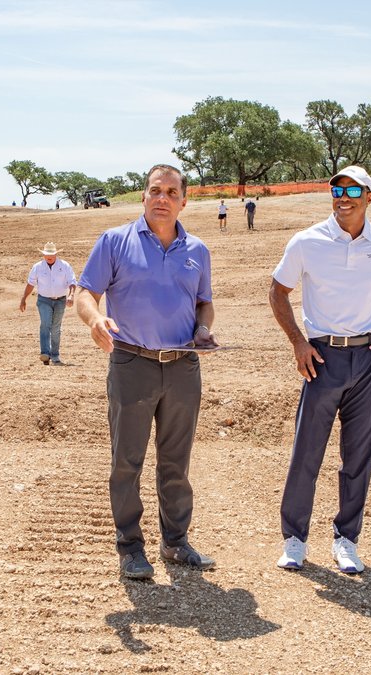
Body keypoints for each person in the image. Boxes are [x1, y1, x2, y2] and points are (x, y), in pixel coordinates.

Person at [75, 164, 219, 580]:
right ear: (143, 196)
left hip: (182, 367)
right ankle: (130, 548)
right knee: (127, 461)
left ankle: (175, 543)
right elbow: (86, 292)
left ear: (184, 201)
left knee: (176, 460)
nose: (163, 198)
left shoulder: (197, 250)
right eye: (156, 190)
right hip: (131, 363)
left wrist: (204, 329)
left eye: (172, 192)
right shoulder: (115, 241)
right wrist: (94, 320)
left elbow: (204, 303)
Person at [269, 165, 371, 574]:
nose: (343, 196)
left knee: (358, 457)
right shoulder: (307, 241)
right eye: (336, 189)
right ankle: (294, 540)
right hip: (322, 358)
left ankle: (346, 541)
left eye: (352, 189)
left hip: (368, 359)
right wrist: (298, 342)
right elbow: (278, 291)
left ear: (370, 196)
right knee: (306, 453)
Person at [20, 242, 77, 366]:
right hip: (44, 300)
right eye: (47, 254)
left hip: (60, 300)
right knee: (45, 324)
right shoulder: (38, 267)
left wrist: (71, 295)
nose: (49, 256)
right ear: (43, 255)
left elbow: (72, 282)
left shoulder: (65, 266)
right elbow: (30, 284)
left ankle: (55, 355)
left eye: (51, 254)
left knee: (56, 328)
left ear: (56, 254)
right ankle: (45, 353)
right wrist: (24, 298)